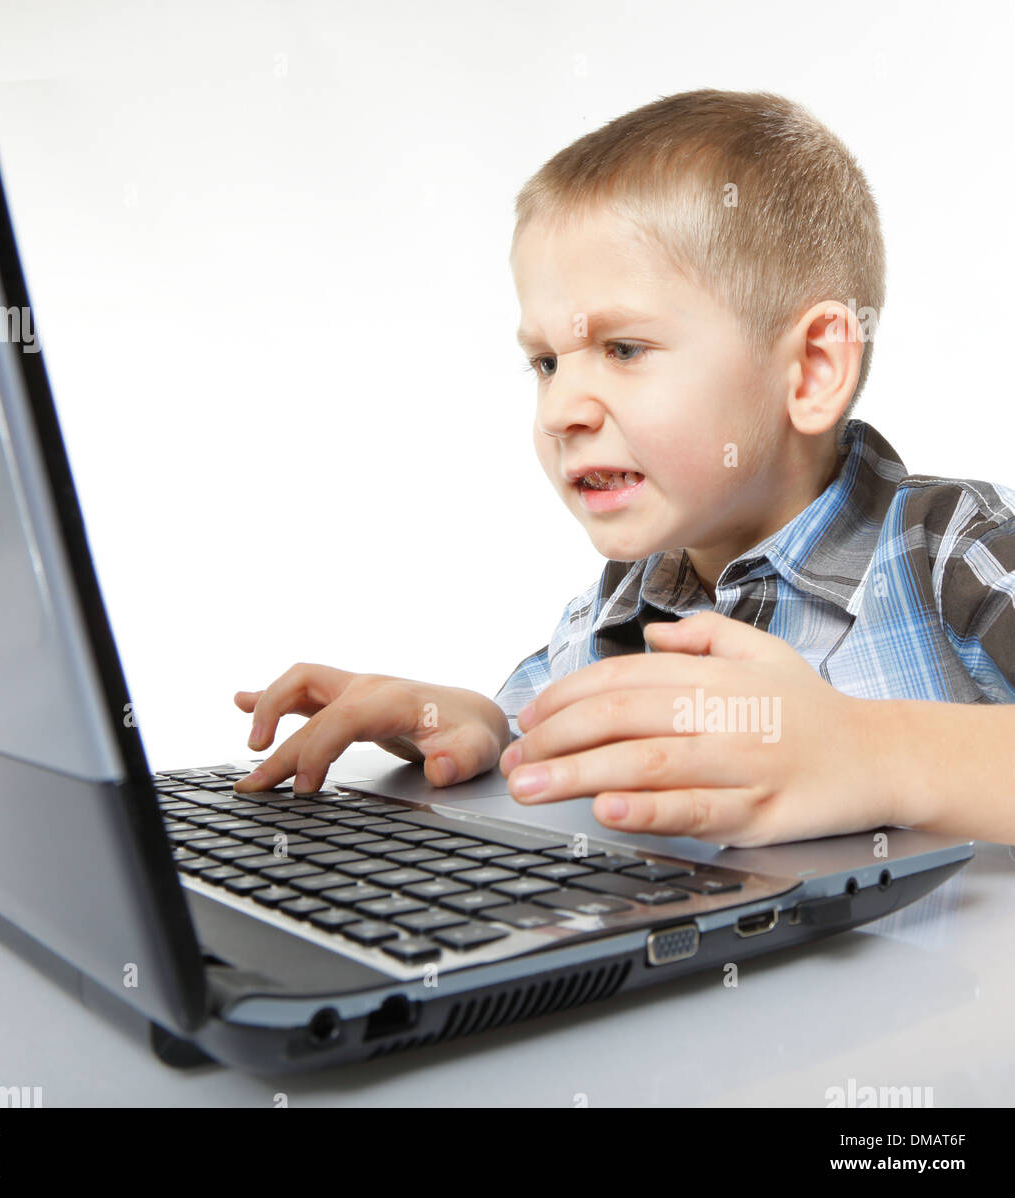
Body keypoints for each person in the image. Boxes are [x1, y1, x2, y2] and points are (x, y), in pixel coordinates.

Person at [233, 90, 1015, 847]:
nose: (559, 409)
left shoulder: (951, 552)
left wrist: (867, 752)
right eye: (544, 362)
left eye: (624, 349)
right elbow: (529, 736)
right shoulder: (619, 606)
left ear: (811, 369)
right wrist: (463, 723)